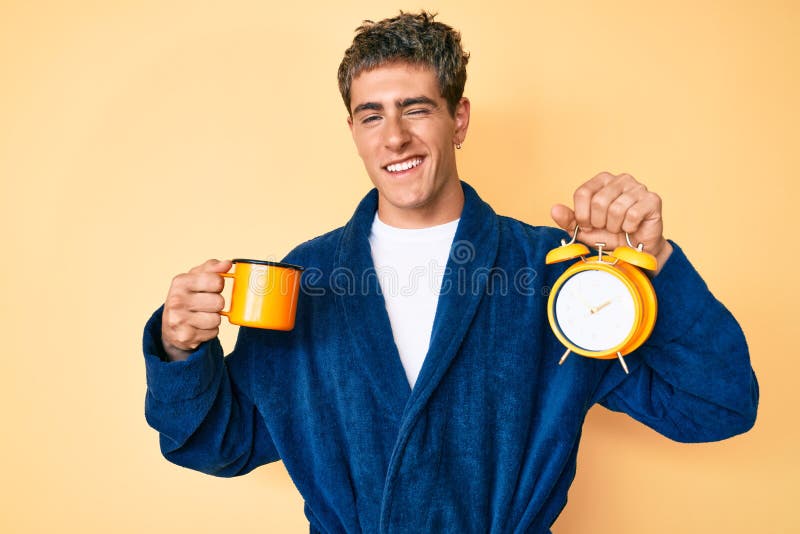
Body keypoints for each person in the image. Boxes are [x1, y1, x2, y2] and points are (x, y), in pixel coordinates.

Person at [143, 11, 758, 533]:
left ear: (458, 118)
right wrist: (180, 351)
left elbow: (714, 407)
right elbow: (220, 444)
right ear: (353, 131)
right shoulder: (305, 279)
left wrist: (659, 267)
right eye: (372, 115)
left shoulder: (551, 273)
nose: (396, 138)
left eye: (416, 109)